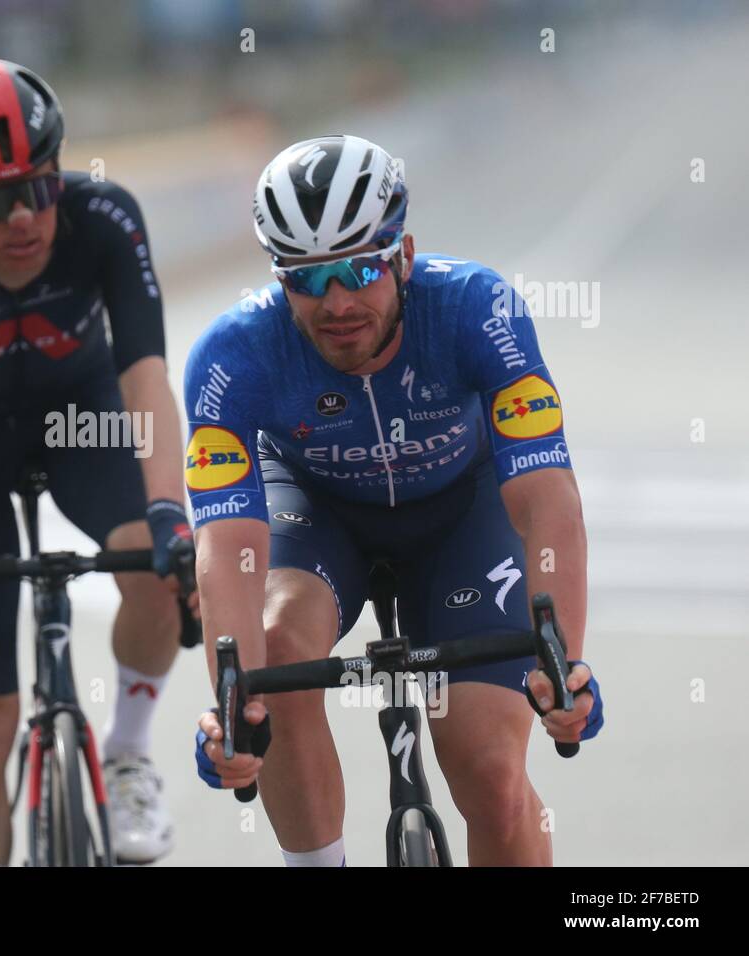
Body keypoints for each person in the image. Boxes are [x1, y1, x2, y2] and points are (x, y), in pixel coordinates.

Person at [188, 135, 603, 866]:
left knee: (493, 780)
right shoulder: (232, 353)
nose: (338, 301)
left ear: (403, 253)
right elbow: (227, 544)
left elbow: (547, 502)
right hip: (316, 517)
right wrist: (233, 699)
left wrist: (563, 663)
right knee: (277, 648)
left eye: (360, 269)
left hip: (459, 515)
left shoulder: (477, 309)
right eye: (308, 280)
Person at [0, 59, 193, 865]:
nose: (22, 218)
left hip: (79, 418)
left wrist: (170, 515)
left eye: (39, 189)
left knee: (158, 573)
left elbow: (147, 379)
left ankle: (125, 752)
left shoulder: (106, 217)